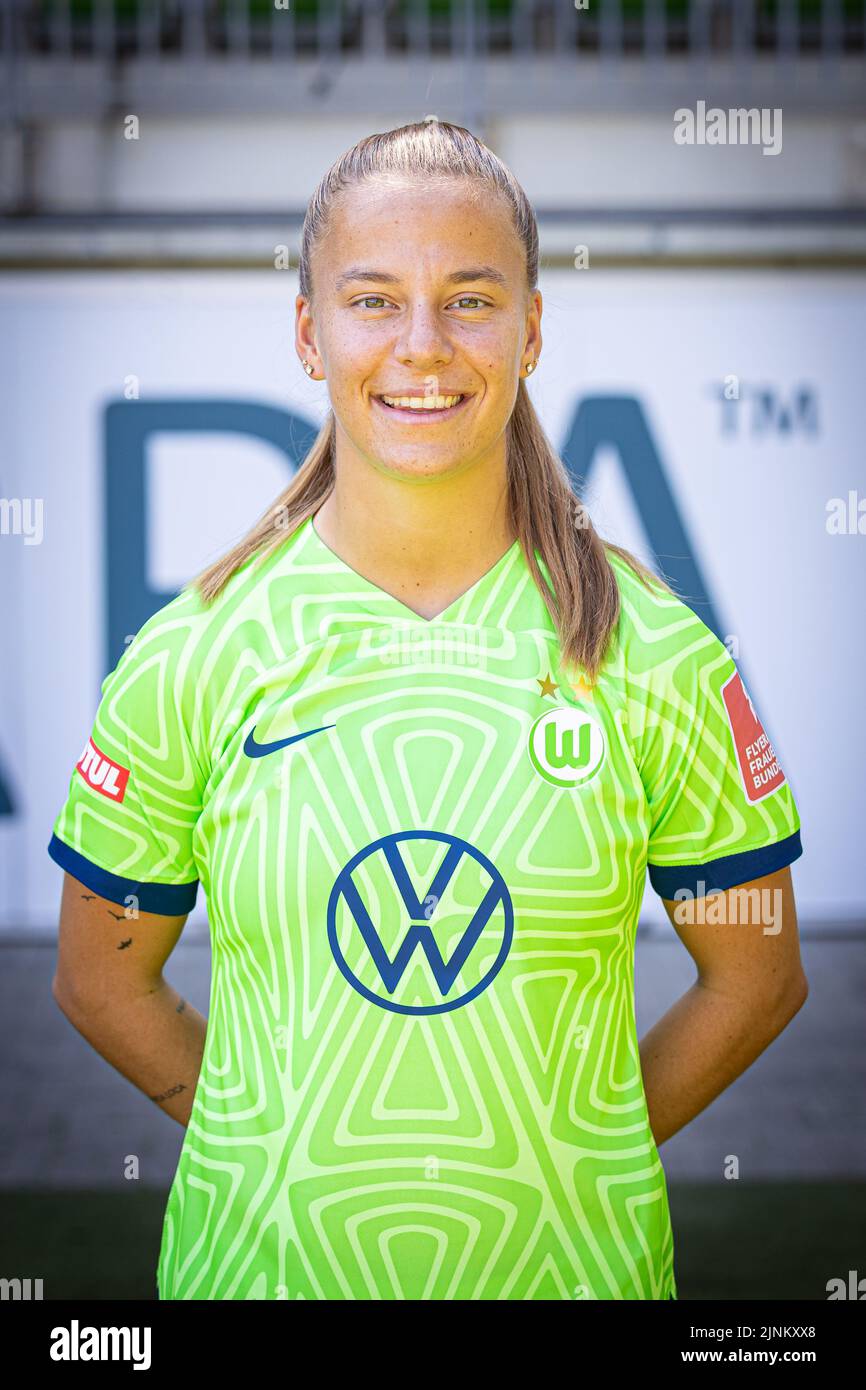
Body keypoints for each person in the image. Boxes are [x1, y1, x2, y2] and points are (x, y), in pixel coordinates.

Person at [48, 118, 806, 1301]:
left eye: (468, 299)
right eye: (370, 300)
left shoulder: (654, 651)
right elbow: (100, 977)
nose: (420, 346)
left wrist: (576, 1145)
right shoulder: (193, 653)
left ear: (531, 329)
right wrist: (264, 1141)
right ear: (309, 332)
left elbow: (757, 972)